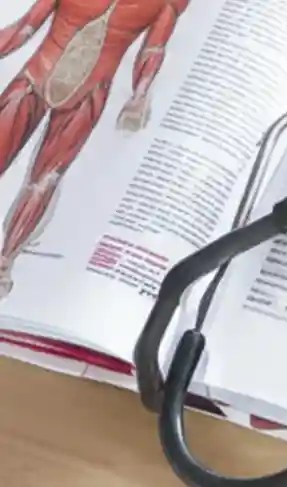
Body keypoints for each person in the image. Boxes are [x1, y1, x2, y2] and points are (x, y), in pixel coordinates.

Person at [0, 0, 189, 298]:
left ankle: (5, 261)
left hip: (88, 95)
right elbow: (25, 27)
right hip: (35, 78)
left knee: (44, 181)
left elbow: (153, 49)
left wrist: (140, 95)